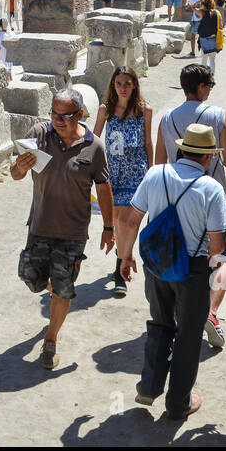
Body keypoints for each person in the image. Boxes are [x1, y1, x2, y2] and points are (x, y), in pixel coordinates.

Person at [115, 124, 226, 421]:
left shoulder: (155, 174)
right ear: (207, 158)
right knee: (189, 337)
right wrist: (218, 271)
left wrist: (124, 258)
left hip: (156, 265)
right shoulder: (212, 189)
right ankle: (179, 403)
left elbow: (130, 221)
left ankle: (149, 386)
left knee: (160, 324)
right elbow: (216, 246)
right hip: (192, 272)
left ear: (181, 149)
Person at [10, 88, 113, 370]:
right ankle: (53, 284)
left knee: (63, 289)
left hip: (73, 233)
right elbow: (16, 174)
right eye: (53, 113)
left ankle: (51, 339)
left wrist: (108, 226)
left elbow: (103, 188)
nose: (57, 120)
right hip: (40, 224)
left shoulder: (95, 147)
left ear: (79, 115)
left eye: (64, 115)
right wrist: (20, 166)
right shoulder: (39, 134)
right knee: (30, 278)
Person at [156, 64, 226, 348]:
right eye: (211, 85)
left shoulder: (166, 119)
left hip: (177, 198)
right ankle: (212, 313)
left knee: (184, 254)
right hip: (212, 196)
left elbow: (158, 164)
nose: (211, 90)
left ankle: (181, 314)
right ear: (202, 87)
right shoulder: (218, 115)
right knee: (221, 258)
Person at [93, 68, 153, 300]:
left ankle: (121, 268)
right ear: (113, 84)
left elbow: (148, 143)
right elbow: (95, 139)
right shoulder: (105, 110)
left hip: (136, 171)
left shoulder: (144, 110)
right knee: (116, 219)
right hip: (112, 172)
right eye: (118, 83)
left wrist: (152, 171)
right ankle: (124, 252)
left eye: (127, 83)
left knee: (129, 221)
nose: (123, 87)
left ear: (135, 85)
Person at [195, 0, 224, 74]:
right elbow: (221, 26)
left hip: (204, 39)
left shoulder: (202, 12)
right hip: (213, 39)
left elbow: (192, 7)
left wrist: (199, 1)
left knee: (204, 59)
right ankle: (211, 77)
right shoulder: (217, 13)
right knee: (212, 60)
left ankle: (203, 76)